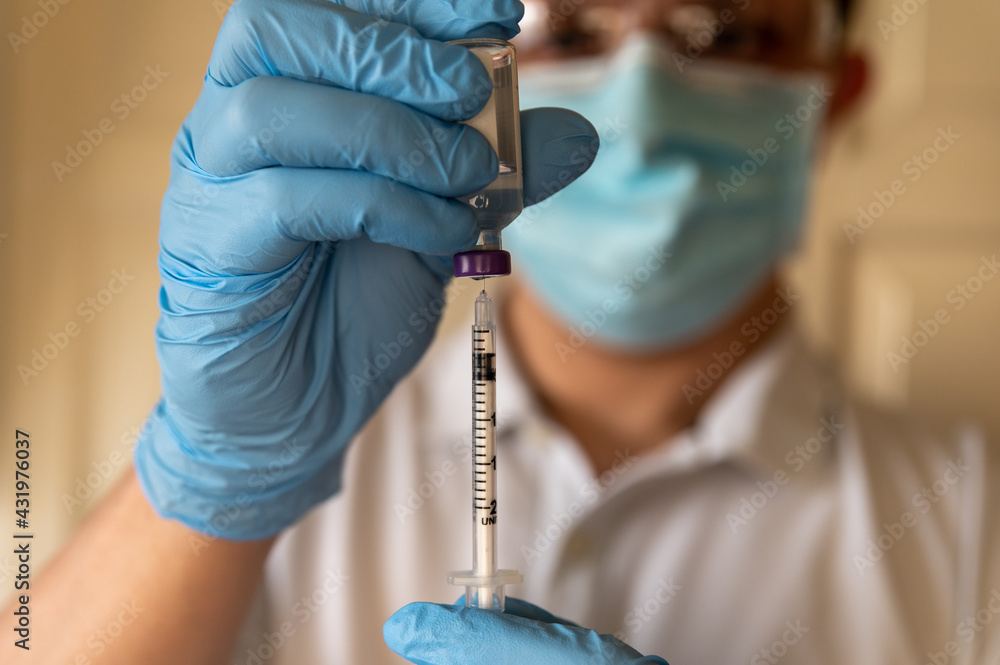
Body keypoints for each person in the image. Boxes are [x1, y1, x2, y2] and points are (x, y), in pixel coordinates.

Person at [16, 0, 1000, 663]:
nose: (644, 97)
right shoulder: (303, 452)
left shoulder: (971, 529)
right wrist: (216, 478)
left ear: (839, 90)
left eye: (727, 29)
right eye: (568, 29)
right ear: (477, 75)